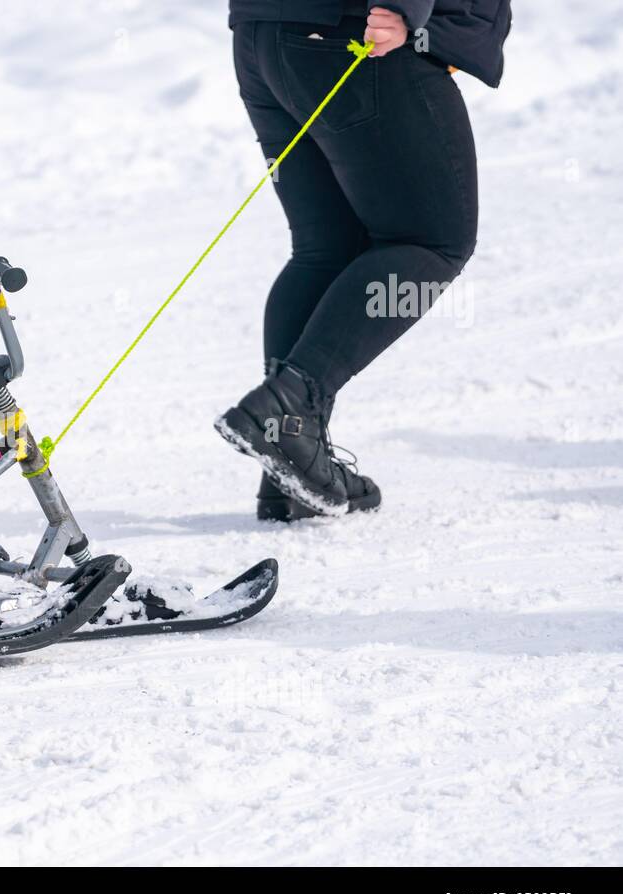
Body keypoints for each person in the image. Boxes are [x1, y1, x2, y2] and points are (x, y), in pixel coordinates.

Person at [214, 1, 512, 519]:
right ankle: (289, 412)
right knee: (432, 241)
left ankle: (290, 466)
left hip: (264, 35)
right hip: (359, 32)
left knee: (327, 246)